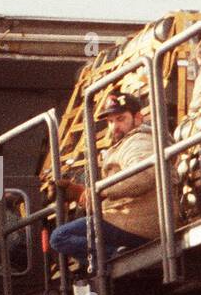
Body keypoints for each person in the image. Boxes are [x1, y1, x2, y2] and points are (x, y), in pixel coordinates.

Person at [49, 92, 159, 264]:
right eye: (110, 121)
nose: (114, 126)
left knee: (60, 236)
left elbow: (143, 176)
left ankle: (116, 255)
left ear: (138, 118)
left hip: (139, 224)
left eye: (121, 119)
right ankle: (115, 254)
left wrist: (101, 189)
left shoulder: (139, 141)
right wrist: (81, 194)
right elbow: (118, 192)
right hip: (127, 220)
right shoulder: (124, 144)